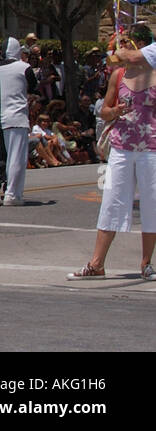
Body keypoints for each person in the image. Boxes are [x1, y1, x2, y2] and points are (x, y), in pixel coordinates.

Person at [70, 24, 156, 279]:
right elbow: (103, 111)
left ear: (141, 45)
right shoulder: (118, 76)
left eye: (128, 43)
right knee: (111, 202)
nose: (123, 48)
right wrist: (114, 111)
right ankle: (96, 264)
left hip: (151, 147)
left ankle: (146, 264)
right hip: (121, 146)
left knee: (152, 205)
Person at [0, 37, 35, 206]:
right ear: (17, 51)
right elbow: (33, 86)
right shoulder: (24, 67)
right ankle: (12, 194)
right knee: (16, 157)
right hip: (17, 118)